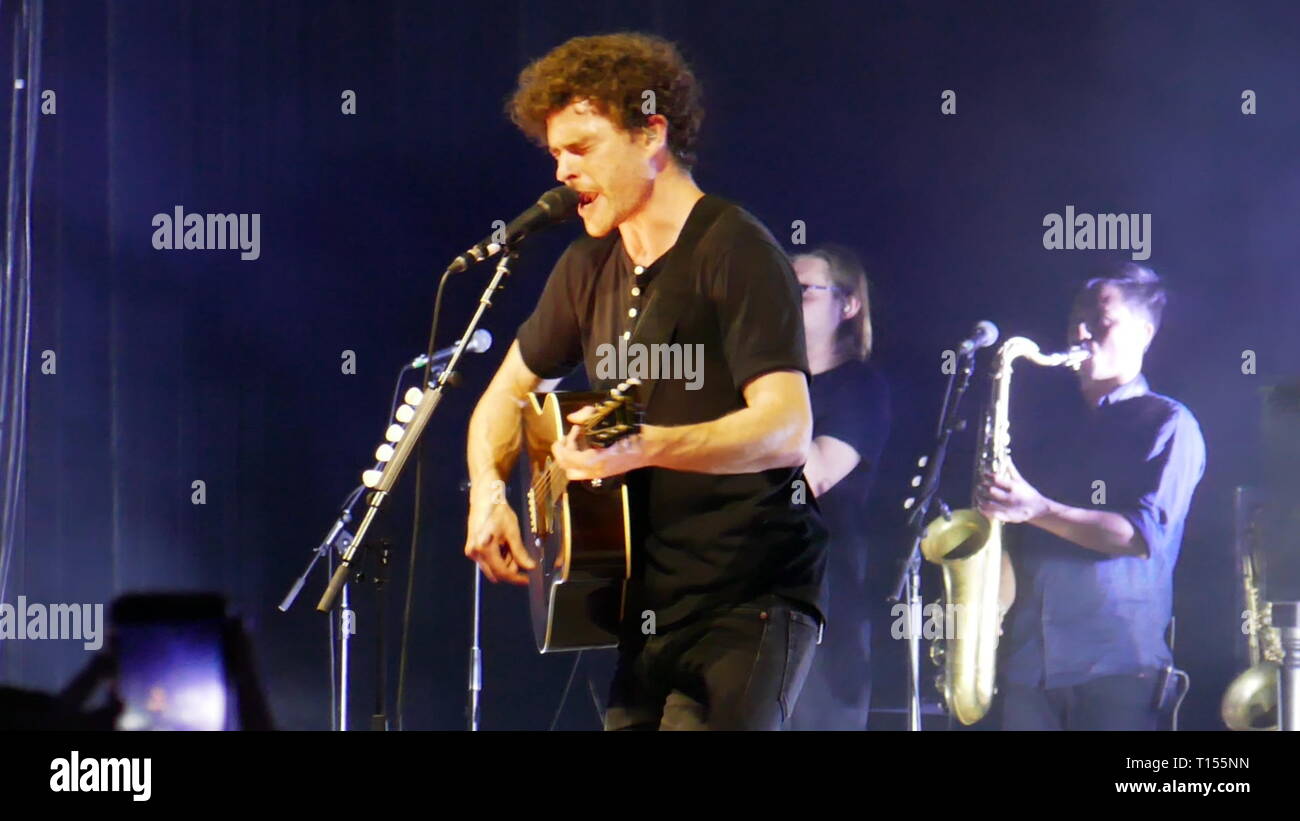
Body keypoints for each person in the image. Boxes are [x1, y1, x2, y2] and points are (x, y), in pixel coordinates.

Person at [462, 32, 827, 730]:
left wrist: (644, 445)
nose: (562, 170)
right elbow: (505, 395)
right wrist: (487, 491)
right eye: (555, 153)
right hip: (642, 601)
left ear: (651, 133)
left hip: (746, 598)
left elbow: (787, 429)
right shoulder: (585, 266)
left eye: (582, 147)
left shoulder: (736, 250)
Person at [977, 263, 1206, 730]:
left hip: (1116, 670)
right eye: (1075, 320)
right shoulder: (1050, 431)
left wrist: (1037, 509)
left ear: (1144, 333)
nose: (1081, 331)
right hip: (1027, 668)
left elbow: (1137, 536)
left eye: (1101, 321)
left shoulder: (1168, 423)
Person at [785, 245, 890, 731]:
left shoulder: (860, 388)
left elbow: (815, 474)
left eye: (803, 291)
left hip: (824, 598)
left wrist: (773, 386)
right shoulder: (749, 385)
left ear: (847, 306)